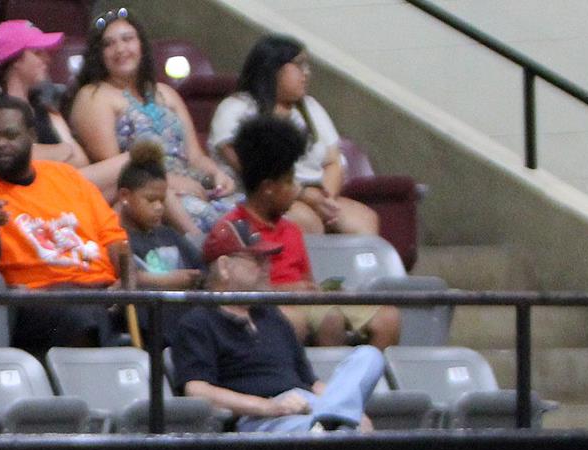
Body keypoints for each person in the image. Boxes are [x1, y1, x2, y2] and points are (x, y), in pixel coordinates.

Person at [0, 96, 129, 358]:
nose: (0, 144)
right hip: (37, 296)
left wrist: (128, 282)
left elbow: (115, 240)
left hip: (102, 288)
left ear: (31, 136)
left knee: (166, 308)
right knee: (80, 311)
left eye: (10, 136)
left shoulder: (67, 177)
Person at [173, 214, 386, 432]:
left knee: (369, 356)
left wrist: (348, 407)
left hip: (306, 405)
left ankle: (334, 420)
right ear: (224, 266)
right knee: (336, 428)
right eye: (257, 260)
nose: (267, 267)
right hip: (259, 419)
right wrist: (268, 407)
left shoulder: (271, 316)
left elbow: (311, 382)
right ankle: (334, 425)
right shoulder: (198, 323)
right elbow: (197, 389)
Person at [228, 115, 400, 348]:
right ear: (268, 188)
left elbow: (306, 280)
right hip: (270, 306)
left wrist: (318, 290)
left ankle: (367, 369)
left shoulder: (292, 230)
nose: (295, 190)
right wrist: (289, 291)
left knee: (388, 318)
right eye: (289, 182)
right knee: (330, 319)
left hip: (306, 301)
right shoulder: (232, 229)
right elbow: (234, 291)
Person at [67, 8, 234, 238]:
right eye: (109, 44)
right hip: (149, 197)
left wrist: (217, 174)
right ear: (99, 54)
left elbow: (195, 157)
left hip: (193, 185)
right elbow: (117, 170)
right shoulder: (93, 96)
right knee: (221, 230)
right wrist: (170, 183)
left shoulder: (165, 92)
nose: (120, 49)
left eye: (128, 39)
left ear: (142, 45)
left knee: (248, 216)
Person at [209, 34, 379, 238]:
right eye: (299, 65)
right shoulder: (236, 109)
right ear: (273, 68)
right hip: (260, 198)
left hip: (315, 194)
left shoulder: (311, 107)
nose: (306, 73)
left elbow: (333, 161)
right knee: (307, 221)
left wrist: (327, 200)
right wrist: (307, 196)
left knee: (365, 219)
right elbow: (252, 170)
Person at [0, 20, 122, 193]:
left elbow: (81, 160)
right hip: (9, 193)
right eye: (38, 53)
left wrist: (42, 155)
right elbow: (15, 154)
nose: (47, 59)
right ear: (15, 59)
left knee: (129, 176)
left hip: (57, 188)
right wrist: (64, 150)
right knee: (129, 163)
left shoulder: (46, 111)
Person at [116, 139, 200, 291]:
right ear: (124, 196)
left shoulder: (170, 236)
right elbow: (125, 280)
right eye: (151, 200)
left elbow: (201, 269)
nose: (159, 207)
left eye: (162, 200)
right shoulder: (118, 241)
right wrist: (168, 281)